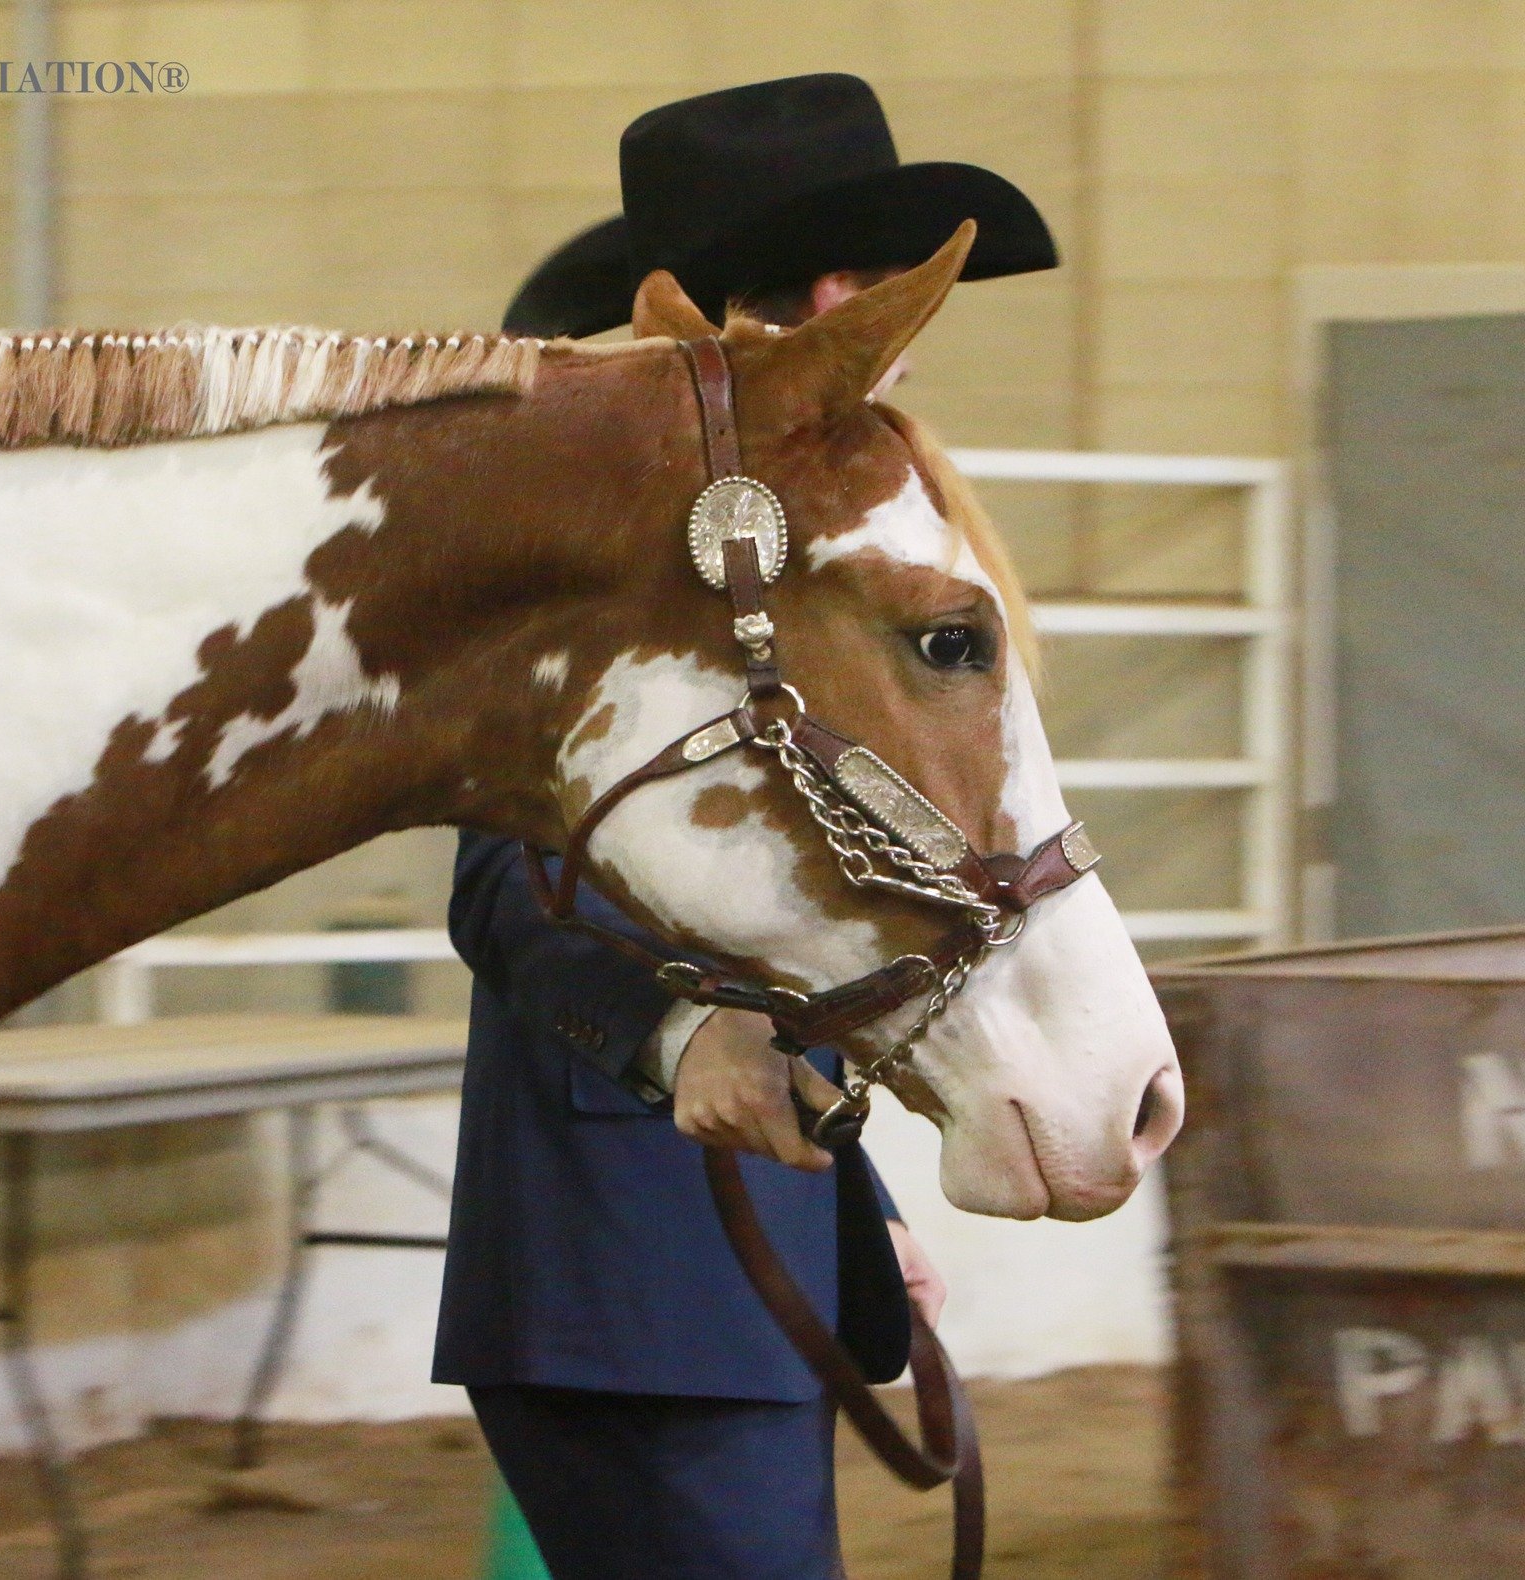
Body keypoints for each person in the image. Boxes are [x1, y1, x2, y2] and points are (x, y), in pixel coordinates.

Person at [433, 76, 1059, 1579]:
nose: (869, 310)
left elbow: (784, 938)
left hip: (715, 1271)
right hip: (633, 1281)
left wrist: (854, 1200)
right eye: (823, 283)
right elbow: (510, 892)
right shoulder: (620, 559)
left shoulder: (762, 557)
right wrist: (671, 1044)